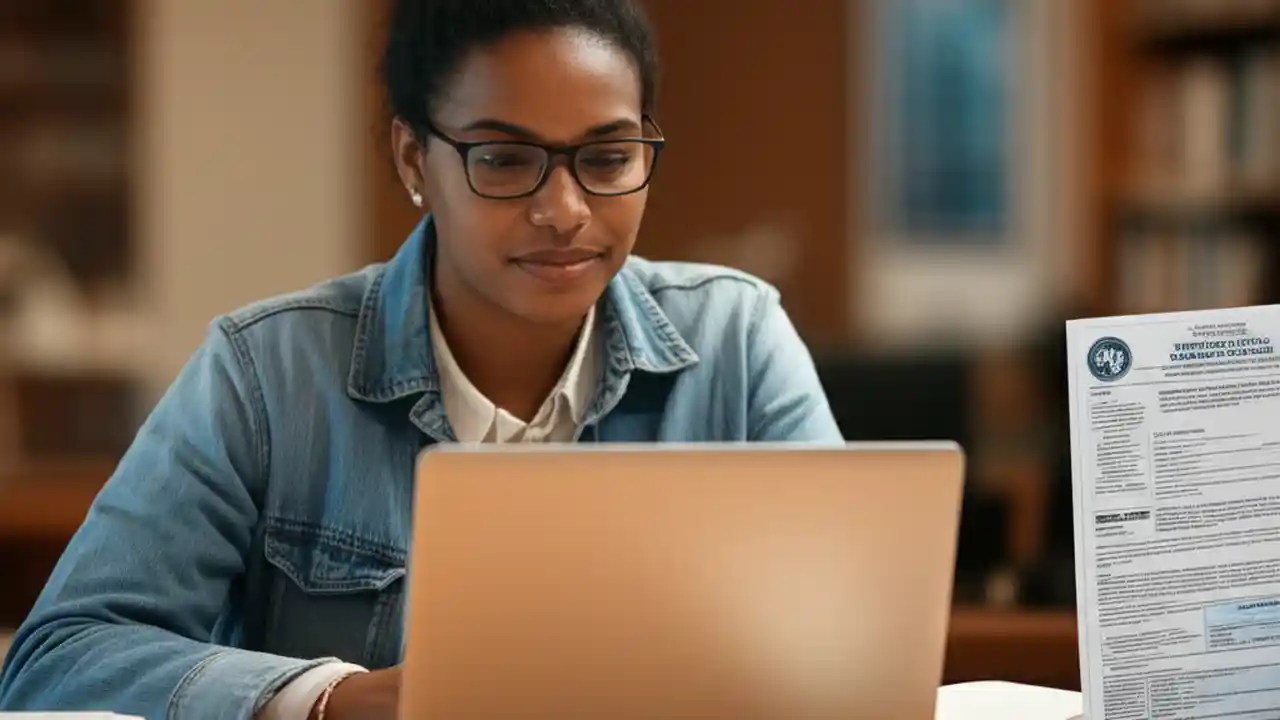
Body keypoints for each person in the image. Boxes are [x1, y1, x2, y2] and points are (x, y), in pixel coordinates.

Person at [0, 0, 839, 717]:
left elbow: (844, 648)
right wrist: (330, 699)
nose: (565, 209)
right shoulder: (268, 373)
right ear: (414, 160)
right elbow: (58, 659)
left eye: (608, 157)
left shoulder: (737, 339)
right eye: (505, 159)